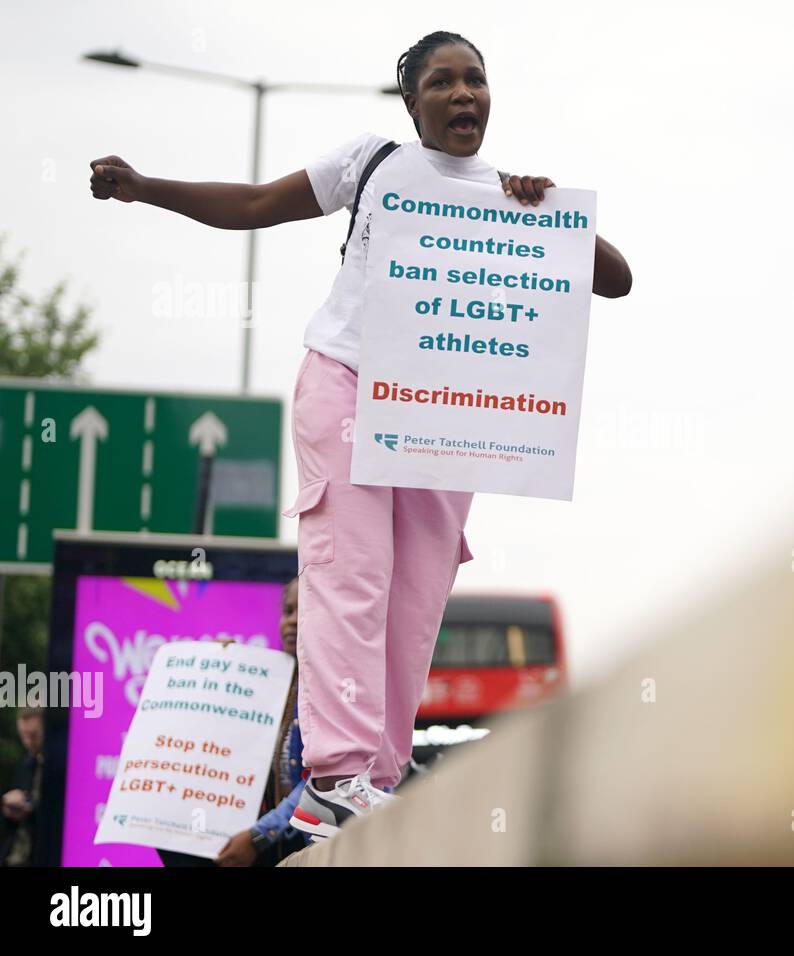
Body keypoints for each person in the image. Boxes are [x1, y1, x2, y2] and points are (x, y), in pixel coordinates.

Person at [89, 30, 632, 840]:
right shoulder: (374, 161)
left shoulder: (509, 192)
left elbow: (615, 279)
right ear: (411, 101)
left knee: (414, 599)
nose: (462, 94)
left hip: (445, 418)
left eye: (475, 80)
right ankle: (336, 772)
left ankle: (375, 777)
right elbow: (251, 204)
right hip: (348, 386)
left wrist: (550, 216)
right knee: (353, 573)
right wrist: (146, 187)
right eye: (441, 82)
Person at [214, 577, 312, 865]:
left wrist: (258, 837)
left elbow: (324, 781)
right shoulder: (275, 683)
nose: (291, 622)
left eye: (304, 611)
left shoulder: (335, 685)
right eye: (287, 611)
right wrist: (223, 672)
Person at [1, 707, 44, 867]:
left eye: (33, 735)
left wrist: (30, 808)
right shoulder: (25, 766)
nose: (28, 742)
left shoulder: (60, 769)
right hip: (15, 855)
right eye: (23, 736)